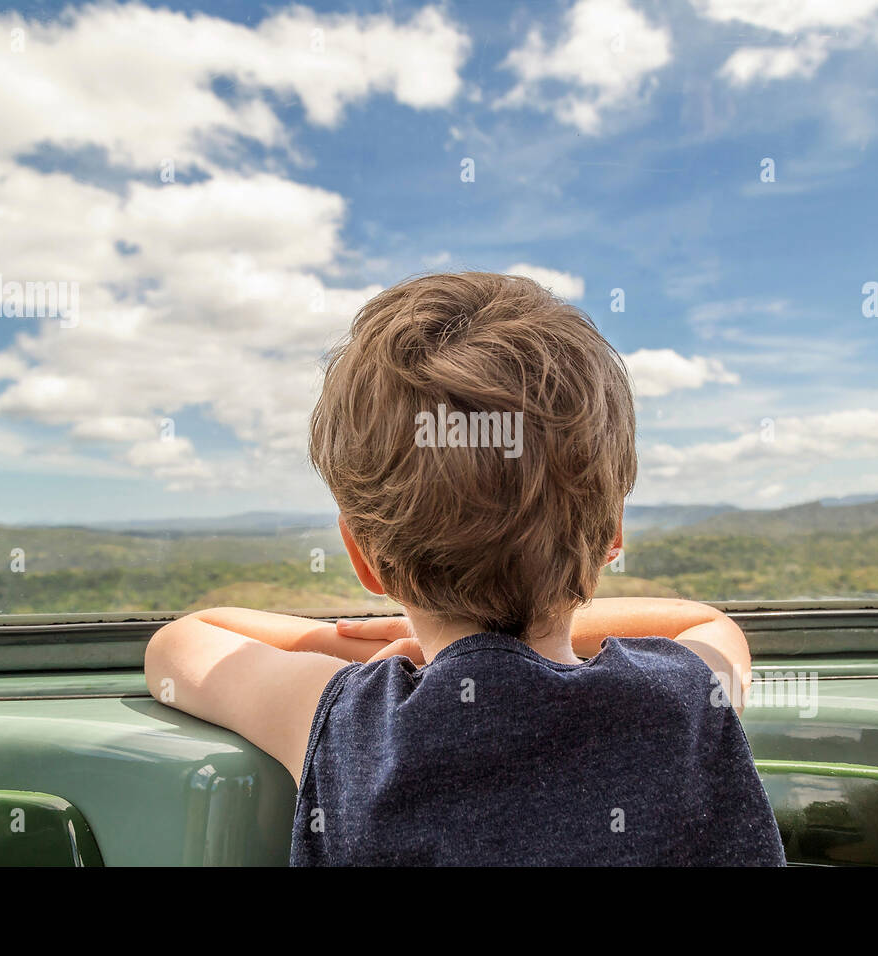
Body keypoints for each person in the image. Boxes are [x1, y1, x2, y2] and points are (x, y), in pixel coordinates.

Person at [145, 272, 785, 866]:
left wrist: (345, 641)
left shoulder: (352, 721)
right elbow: (705, 622)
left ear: (365, 558)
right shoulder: (683, 697)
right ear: (612, 535)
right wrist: (543, 597)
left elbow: (180, 644)